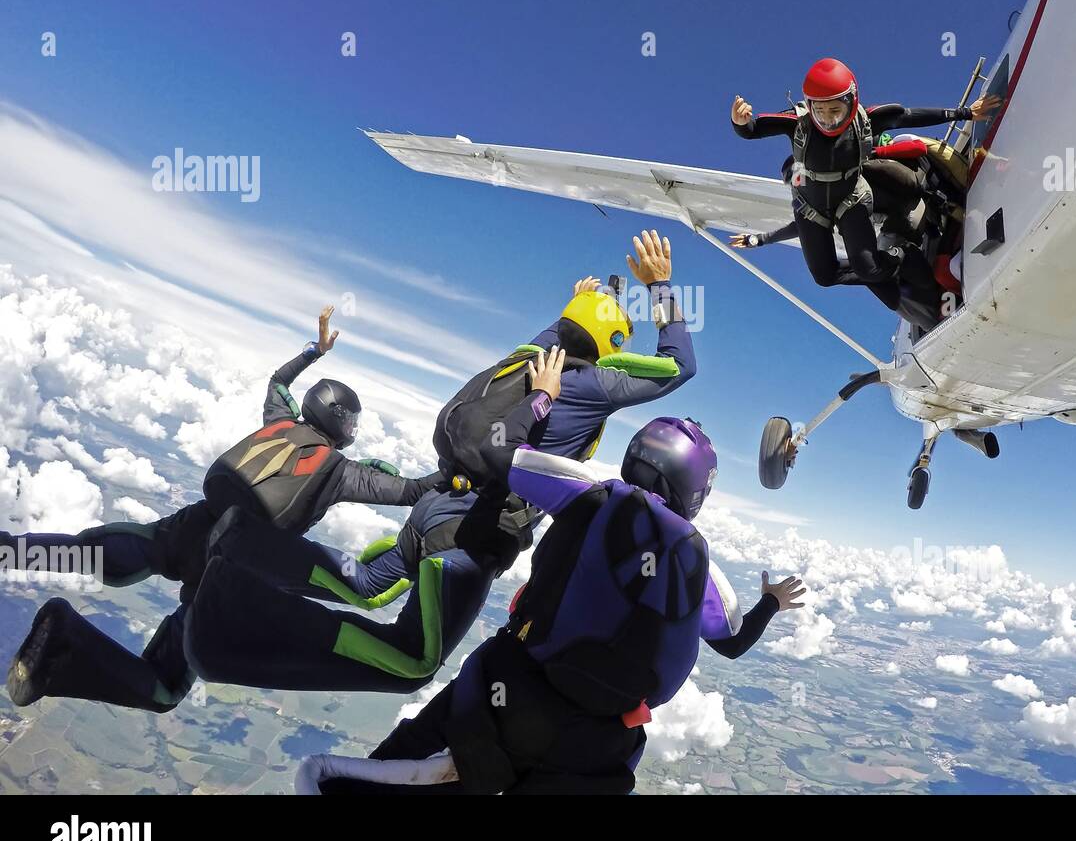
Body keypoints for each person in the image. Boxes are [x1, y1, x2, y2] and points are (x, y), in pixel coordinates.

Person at [181, 231, 706, 697]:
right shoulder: (593, 386)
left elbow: (561, 332)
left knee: (367, 582)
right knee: (412, 662)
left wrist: (582, 302)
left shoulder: (522, 357)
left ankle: (241, 542)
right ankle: (231, 633)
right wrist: (660, 285)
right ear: (613, 347)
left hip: (435, 507)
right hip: (470, 537)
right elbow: (680, 364)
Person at [295, 346, 806, 795]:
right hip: (597, 753)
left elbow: (497, 451)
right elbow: (733, 642)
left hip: (507, 697)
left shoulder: (591, 491)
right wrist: (772, 602)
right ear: (696, 488)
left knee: (354, 781)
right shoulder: (700, 561)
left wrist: (541, 396)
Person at [3, 307, 443, 713]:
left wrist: (314, 351)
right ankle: (63, 644)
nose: (352, 431)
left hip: (193, 524)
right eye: (351, 422)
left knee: (95, 553)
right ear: (340, 420)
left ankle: (10, 551)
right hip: (232, 564)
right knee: (164, 686)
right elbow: (414, 491)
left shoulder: (280, 421)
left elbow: (277, 383)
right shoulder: (342, 471)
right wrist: (467, 479)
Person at [730, 58, 1000, 322]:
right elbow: (754, 130)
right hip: (812, 211)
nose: (828, 120)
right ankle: (897, 271)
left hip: (852, 199)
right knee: (824, 277)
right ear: (810, 106)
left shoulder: (867, 121)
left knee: (870, 270)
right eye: (820, 111)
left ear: (851, 101)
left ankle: (903, 256)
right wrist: (741, 123)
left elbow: (908, 116)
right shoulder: (798, 125)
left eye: (835, 110)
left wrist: (964, 113)